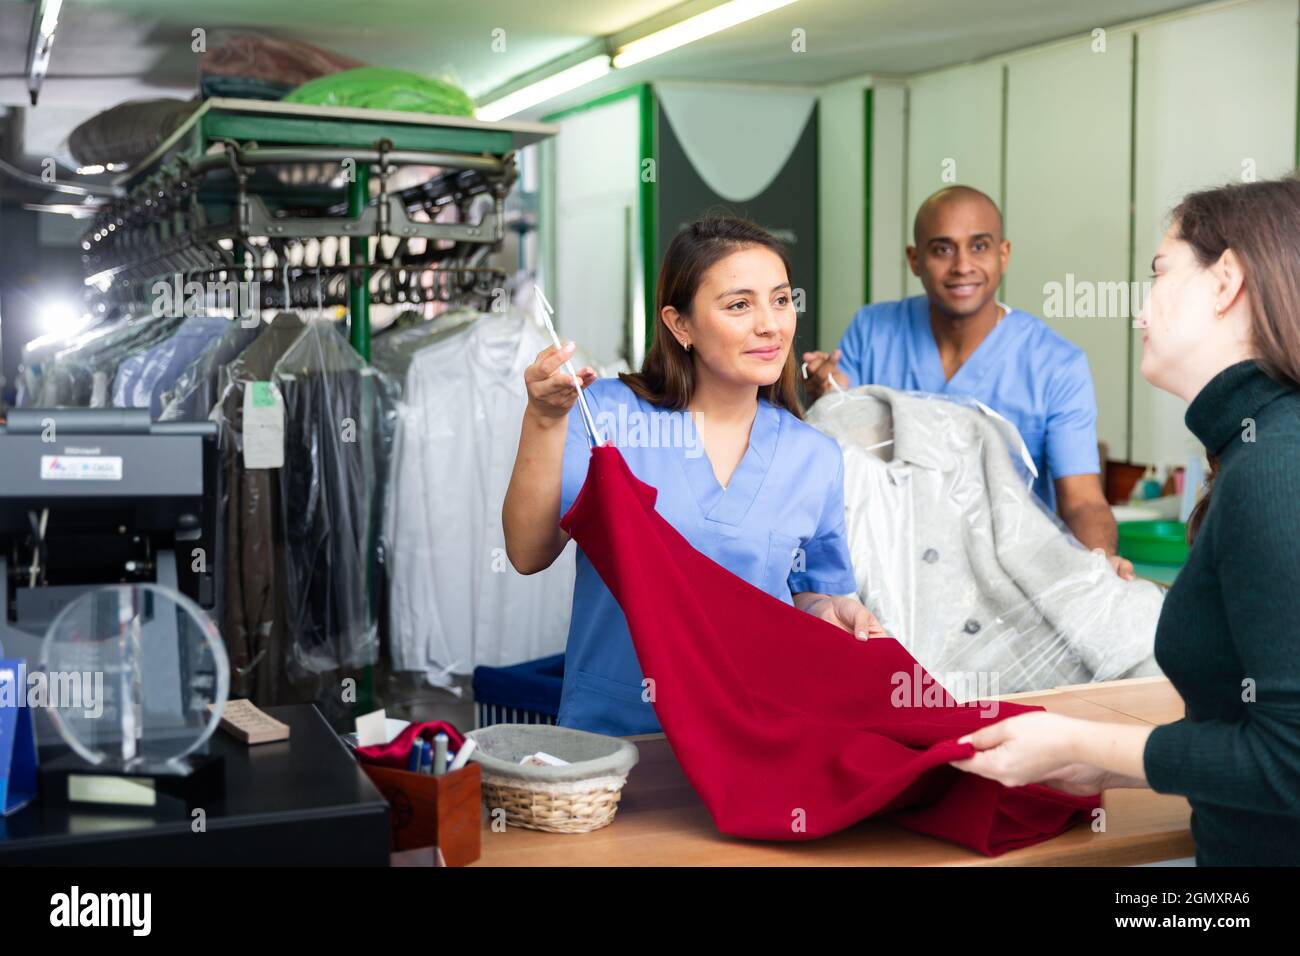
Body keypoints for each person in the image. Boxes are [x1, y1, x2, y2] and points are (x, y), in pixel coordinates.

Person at [947, 177, 1300, 866]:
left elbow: (1289, 760)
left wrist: (1080, 742)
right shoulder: (1259, 449)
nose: (1139, 310)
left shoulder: (1275, 472)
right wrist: (1111, 766)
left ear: (1226, 279)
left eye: (1158, 273)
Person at [502, 217, 884, 736]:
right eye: (739, 305)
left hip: (753, 737)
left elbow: (806, 592)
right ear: (680, 325)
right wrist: (544, 419)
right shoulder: (609, 417)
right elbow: (528, 553)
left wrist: (835, 610)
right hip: (616, 736)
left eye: (780, 299)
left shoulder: (813, 455)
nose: (771, 324)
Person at [803, 186, 1131, 578]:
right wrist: (827, 395)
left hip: (1006, 581)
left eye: (979, 247)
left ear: (1003, 254)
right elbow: (841, 463)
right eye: (942, 249)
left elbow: (1081, 502)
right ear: (915, 259)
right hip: (886, 571)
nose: (962, 265)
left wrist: (1100, 564)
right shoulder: (873, 332)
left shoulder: (1056, 364)